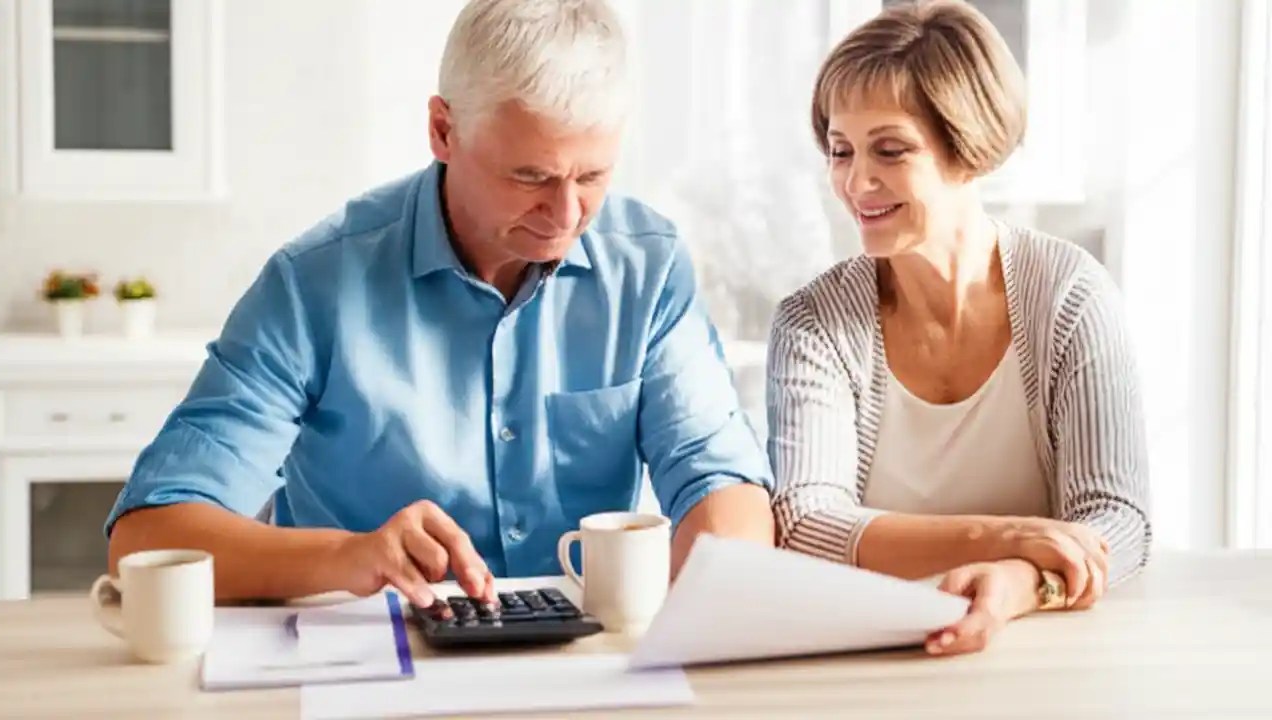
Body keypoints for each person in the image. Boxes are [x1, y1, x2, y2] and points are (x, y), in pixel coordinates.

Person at [105, 0, 774, 610]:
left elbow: (723, 485)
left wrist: (717, 584)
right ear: (442, 130)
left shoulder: (647, 269)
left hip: (583, 668)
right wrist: (351, 556)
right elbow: (147, 536)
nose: (565, 215)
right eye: (530, 176)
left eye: (592, 176)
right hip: (370, 660)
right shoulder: (315, 284)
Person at [768, 0, 1150, 656]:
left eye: (890, 149)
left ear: (968, 150)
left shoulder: (1069, 296)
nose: (857, 181)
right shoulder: (815, 322)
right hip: (870, 657)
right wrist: (1002, 537)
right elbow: (806, 523)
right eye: (840, 150)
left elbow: (1119, 520)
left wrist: (1020, 581)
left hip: (1047, 654)